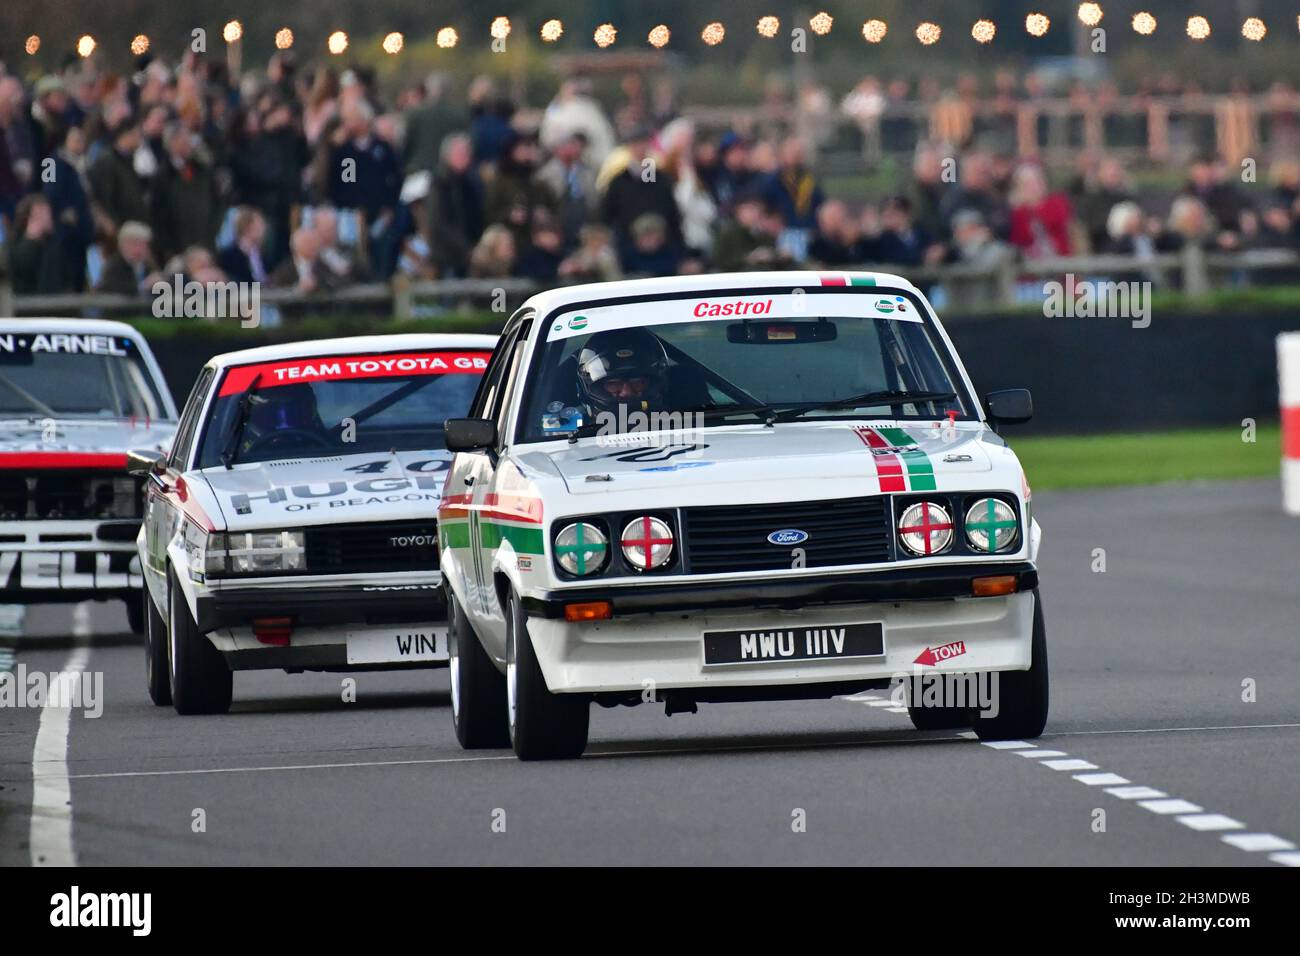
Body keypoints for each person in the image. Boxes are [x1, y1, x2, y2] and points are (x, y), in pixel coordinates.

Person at [98, 220, 159, 294]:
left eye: (145, 245)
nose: (142, 249)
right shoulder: (113, 267)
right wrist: (143, 286)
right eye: (137, 244)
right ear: (124, 244)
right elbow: (113, 289)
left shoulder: (148, 266)